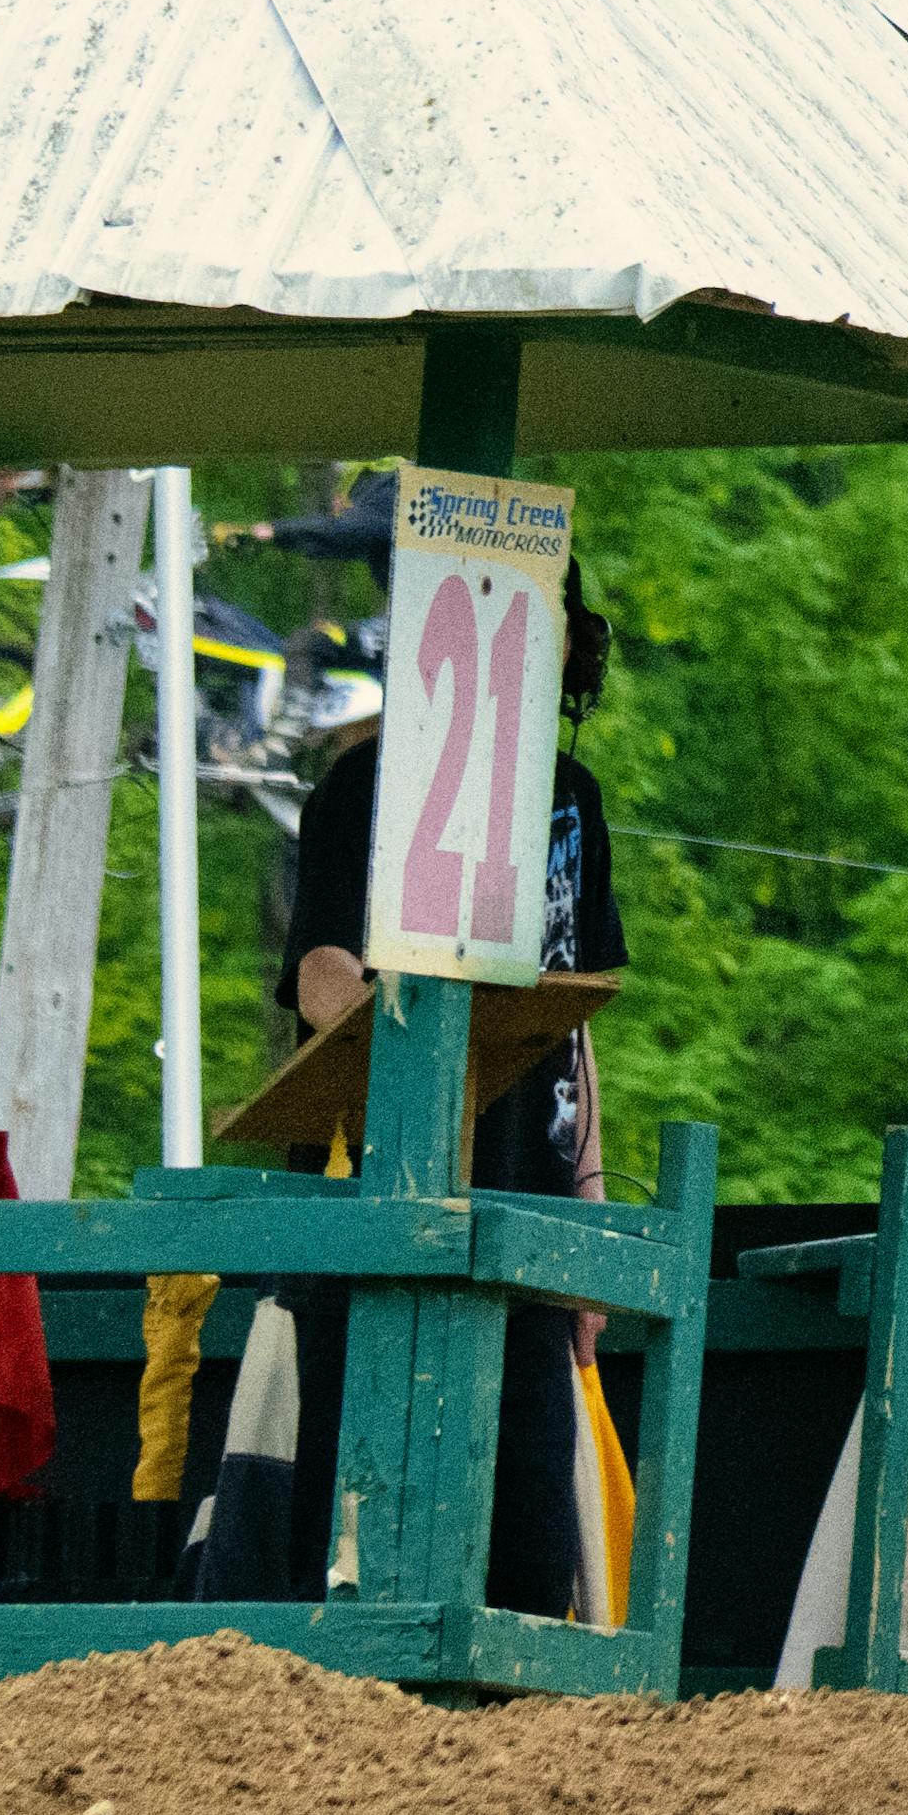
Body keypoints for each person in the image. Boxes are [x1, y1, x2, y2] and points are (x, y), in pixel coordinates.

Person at [269, 568, 631, 1617]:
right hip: (375, 1201)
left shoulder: (572, 797)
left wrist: (591, 1206)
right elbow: (319, 974)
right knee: (351, 1526)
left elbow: (575, 1015)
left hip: (527, 1212)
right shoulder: (362, 786)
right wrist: (418, 1037)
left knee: (529, 1539)